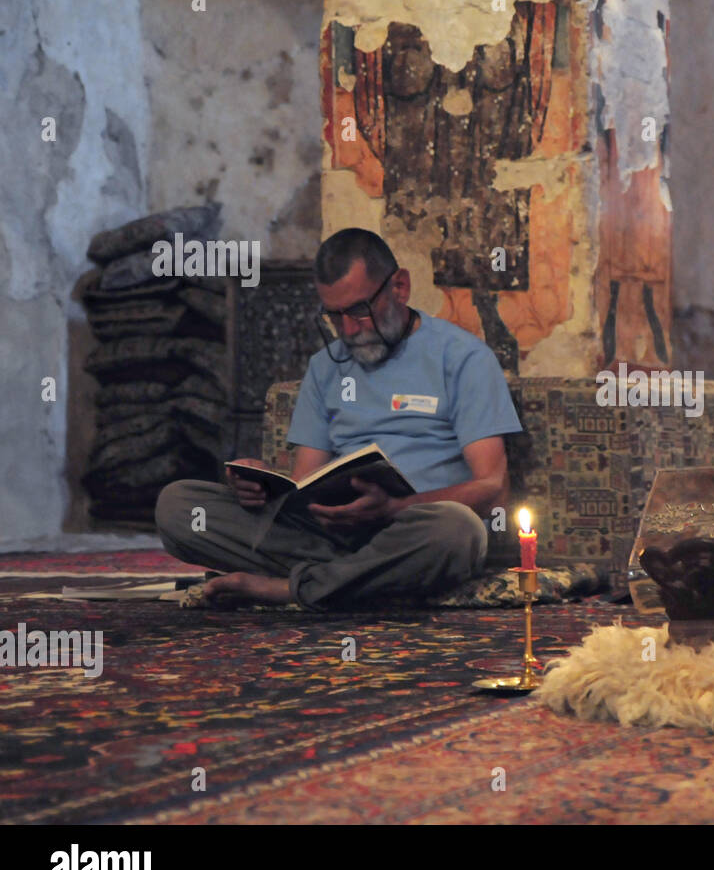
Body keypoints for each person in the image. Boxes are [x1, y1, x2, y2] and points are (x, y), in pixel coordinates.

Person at [154, 228, 522, 609]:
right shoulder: (325, 367)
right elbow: (303, 482)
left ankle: (291, 588)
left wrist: (393, 508)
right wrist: (261, 486)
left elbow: (493, 488)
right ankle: (358, 579)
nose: (348, 330)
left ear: (400, 287)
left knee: (458, 532)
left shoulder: (463, 358)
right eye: (334, 315)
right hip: (331, 536)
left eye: (360, 311)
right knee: (179, 507)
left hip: (414, 530)